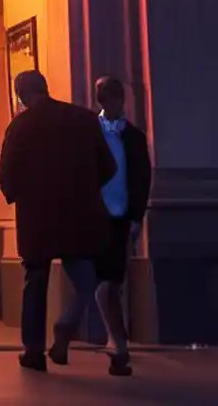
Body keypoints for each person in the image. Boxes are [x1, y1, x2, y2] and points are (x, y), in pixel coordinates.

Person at [0, 70, 117, 372]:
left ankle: (34, 350)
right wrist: (86, 189)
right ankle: (67, 322)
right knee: (86, 283)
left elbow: (7, 171)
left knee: (35, 281)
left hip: (37, 218)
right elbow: (108, 166)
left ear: (22, 95)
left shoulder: (20, 127)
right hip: (79, 214)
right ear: (45, 88)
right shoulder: (84, 120)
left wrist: (16, 193)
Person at [92, 76, 153, 376]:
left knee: (111, 282)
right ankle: (118, 340)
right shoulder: (92, 133)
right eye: (105, 98)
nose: (111, 104)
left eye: (114, 98)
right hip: (95, 215)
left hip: (120, 215)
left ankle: (117, 341)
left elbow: (141, 181)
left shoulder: (133, 137)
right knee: (107, 283)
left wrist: (135, 218)